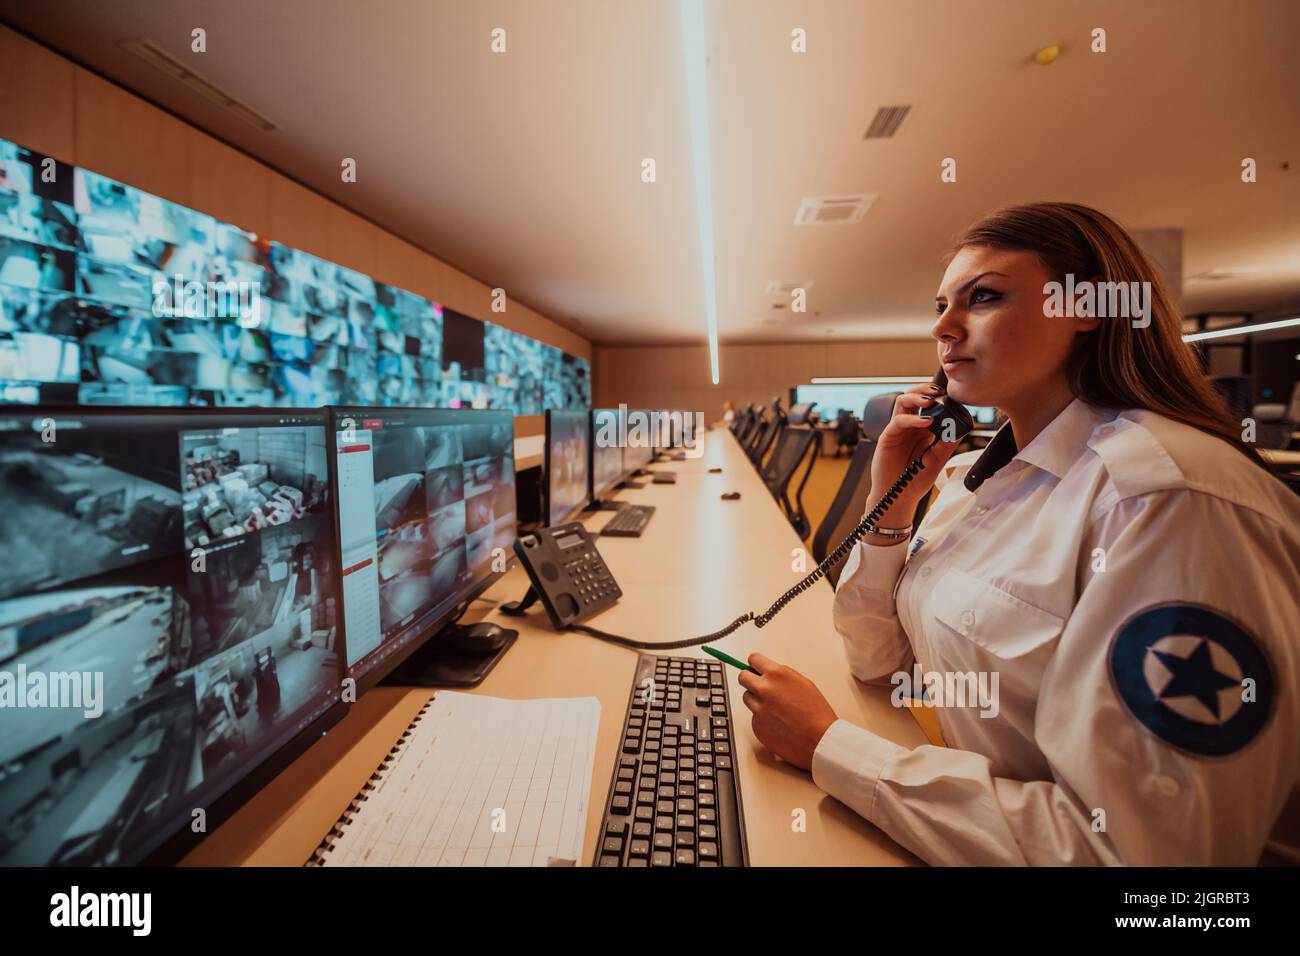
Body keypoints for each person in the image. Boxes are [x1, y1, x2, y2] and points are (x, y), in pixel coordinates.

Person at [737, 202, 1300, 865]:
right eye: (941, 305)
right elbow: (882, 665)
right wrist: (892, 507)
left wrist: (833, 748)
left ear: (1087, 306)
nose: (944, 328)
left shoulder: (1167, 503)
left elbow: (1136, 857)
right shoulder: (986, 474)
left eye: (984, 297)